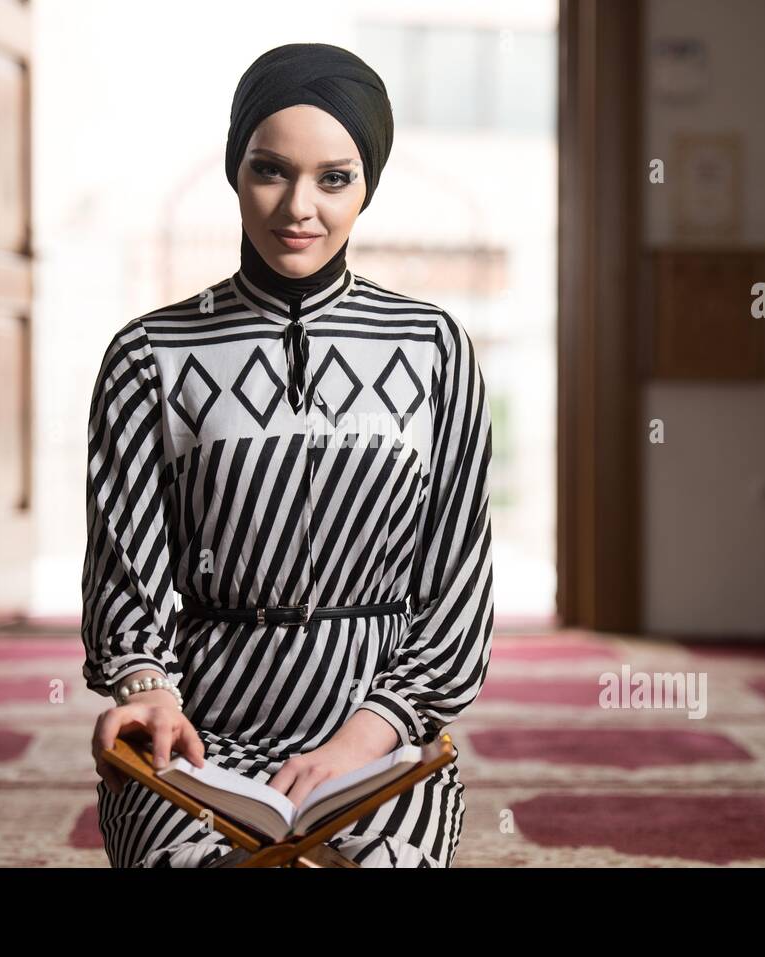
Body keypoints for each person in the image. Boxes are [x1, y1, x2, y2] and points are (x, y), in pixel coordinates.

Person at [83, 42, 495, 867]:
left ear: (366, 182)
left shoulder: (435, 348)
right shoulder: (149, 352)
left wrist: (358, 741)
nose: (297, 207)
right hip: (197, 740)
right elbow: (125, 577)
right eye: (270, 171)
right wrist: (147, 690)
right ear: (236, 170)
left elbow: (455, 593)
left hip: (380, 741)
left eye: (333, 178)